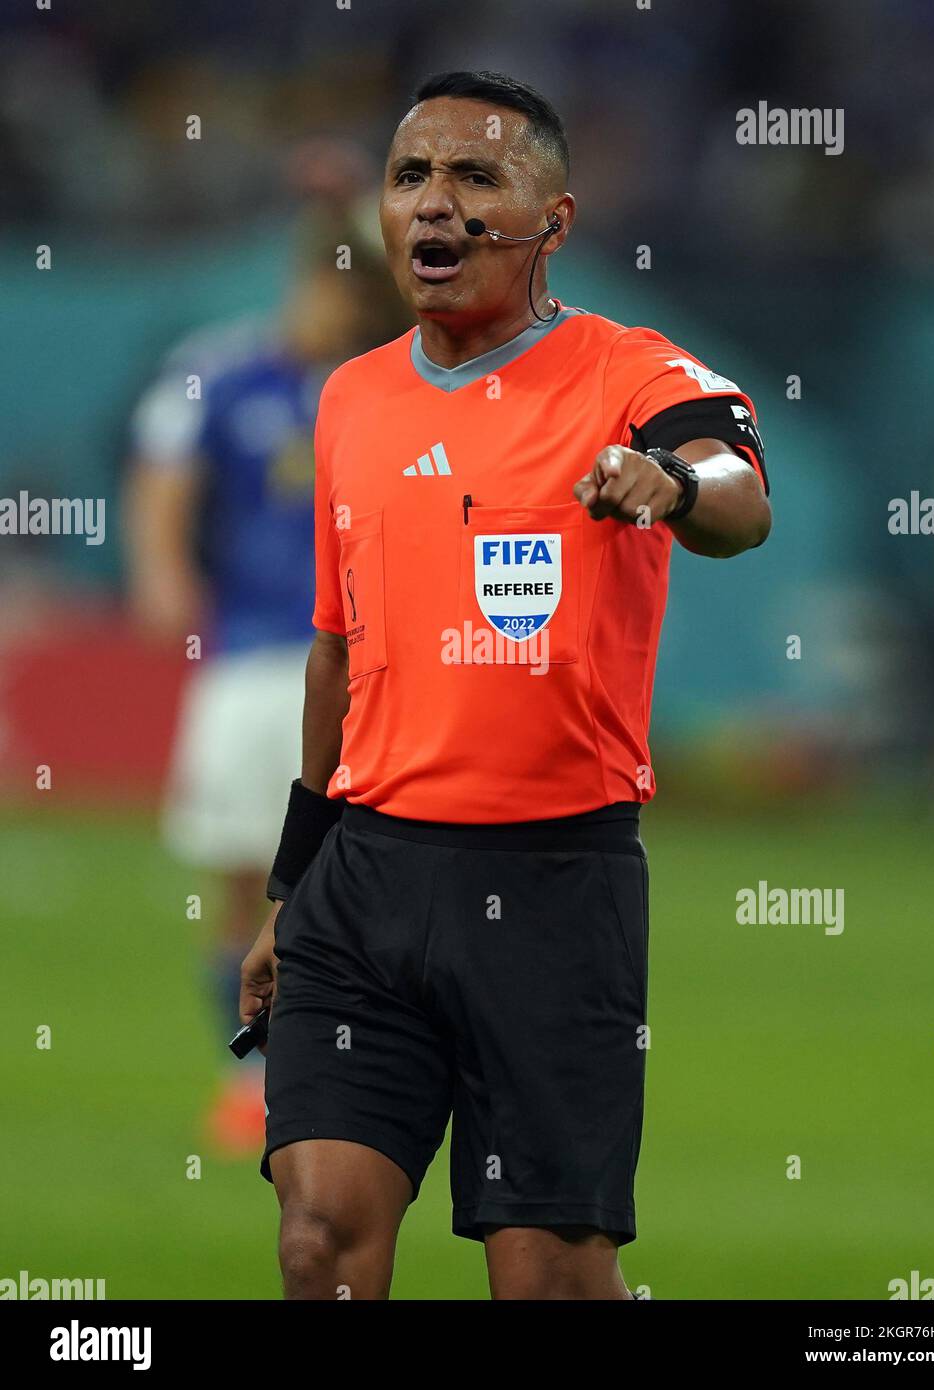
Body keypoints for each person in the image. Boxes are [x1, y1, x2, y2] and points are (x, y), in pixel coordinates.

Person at [240, 70, 771, 1300]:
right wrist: (291, 882)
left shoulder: (623, 370)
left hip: (552, 884)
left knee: (548, 1281)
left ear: (555, 219)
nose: (437, 202)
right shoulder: (351, 398)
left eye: (477, 177)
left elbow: (739, 495)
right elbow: (335, 651)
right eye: (411, 176)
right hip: (364, 879)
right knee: (318, 1238)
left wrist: (673, 487)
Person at [125, 212, 406, 1154]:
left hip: (360, 659)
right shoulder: (223, 369)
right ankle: (244, 1073)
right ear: (304, 282)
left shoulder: (380, 382)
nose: (349, 311)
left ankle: (356, 1067)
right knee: (242, 875)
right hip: (248, 659)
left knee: (359, 874)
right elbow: (162, 473)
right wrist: (163, 571)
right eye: (341, 290)